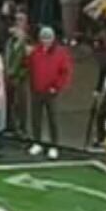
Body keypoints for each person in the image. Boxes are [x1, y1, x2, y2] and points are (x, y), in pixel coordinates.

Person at [25, 25, 73, 158]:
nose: (45, 40)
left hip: (51, 92)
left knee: (53, 119)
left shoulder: (60, 53)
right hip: (36, 90)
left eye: (48, 38)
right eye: (43, 38)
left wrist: (56, 87)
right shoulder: (35, 51)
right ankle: (37, 142)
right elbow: (29, 66)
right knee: (36, 117)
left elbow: (65, 73)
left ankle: (54, 145)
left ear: (53, 38)